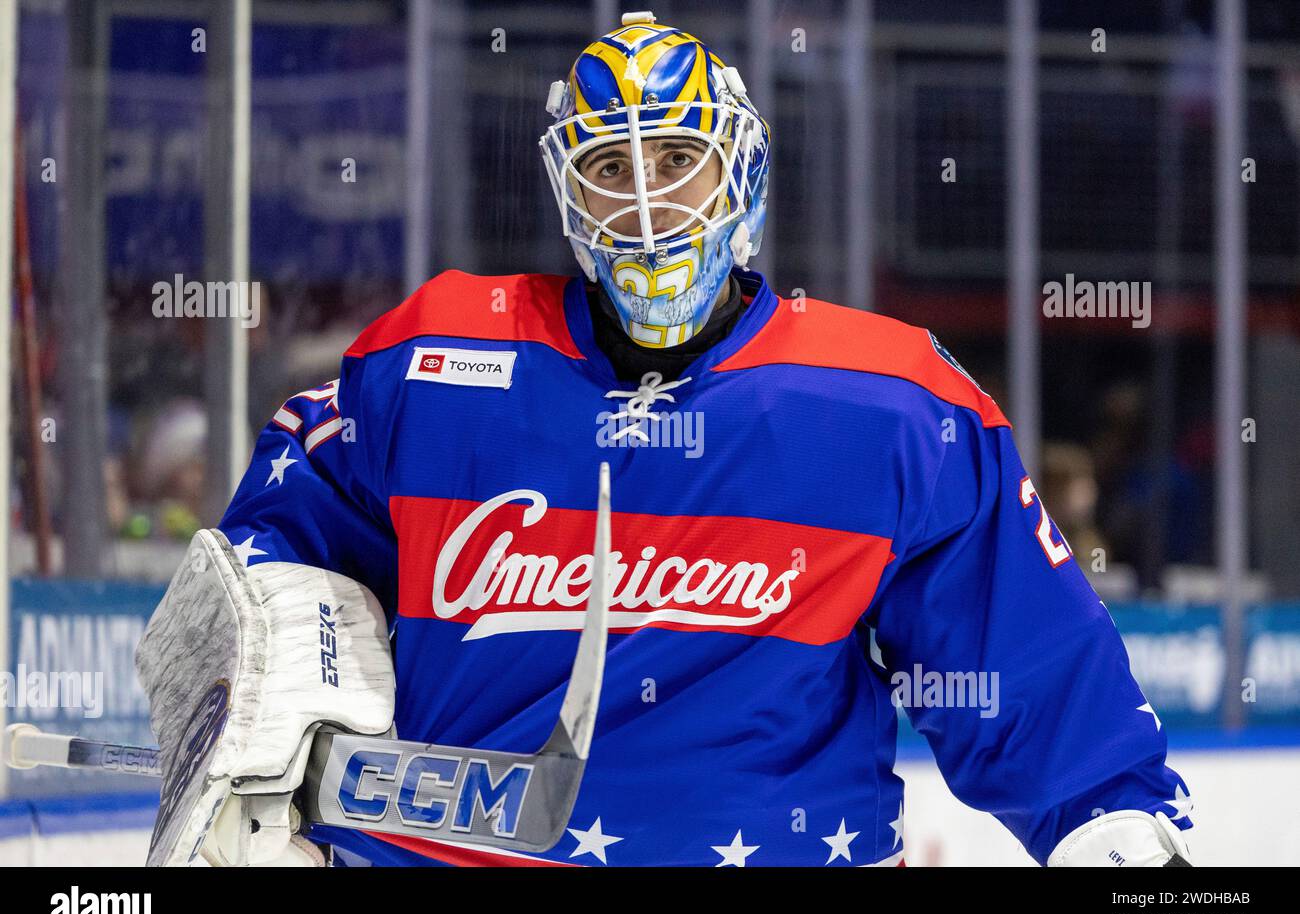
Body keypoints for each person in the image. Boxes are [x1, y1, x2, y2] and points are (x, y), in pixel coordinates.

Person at [137, 12, 1191, 867]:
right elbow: (268, 556)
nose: (644, 202)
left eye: (677, 158)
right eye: (609, 168)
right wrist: (265, 741)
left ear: (741, 176)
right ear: (566, 189)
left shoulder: (891, 402)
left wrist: (1107, 820)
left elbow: (1019, 656)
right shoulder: (438, 362)